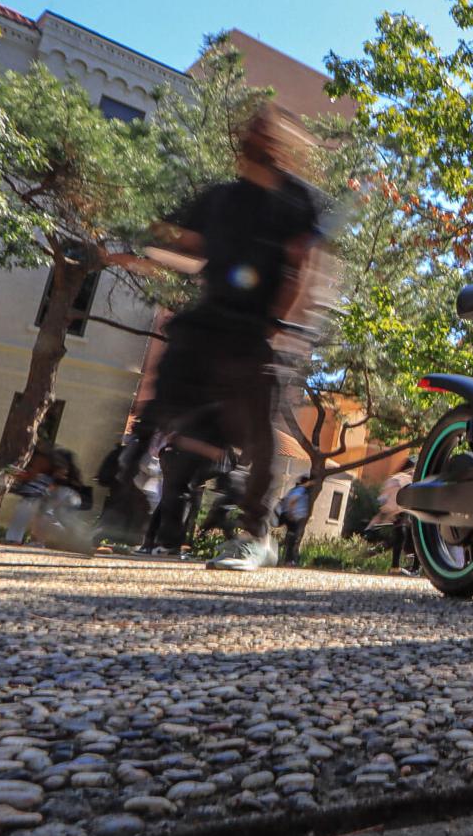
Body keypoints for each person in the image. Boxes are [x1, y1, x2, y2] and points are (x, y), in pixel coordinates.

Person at [112, 103, 325, 572]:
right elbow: (182, 242)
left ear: (284, 145)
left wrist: (283, 323)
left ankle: (256, 534)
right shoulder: (220, 198)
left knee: (256, 432)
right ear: (242, 139)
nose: (261, 137)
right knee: (161, 396)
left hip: (256, 327)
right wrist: (135, 240)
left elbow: (303, 265)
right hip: (210, 319)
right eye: (254, 130)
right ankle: (115, 507)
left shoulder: (297, 199)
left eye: (270, 132)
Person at [277, 476, 312, 566]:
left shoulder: (295, 489)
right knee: (292, 539)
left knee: (291, 538)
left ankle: (285, 557)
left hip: (293, 516)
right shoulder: (300, 490)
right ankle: (288, 560)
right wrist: (291, 513)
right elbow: (292, 501)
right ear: (307, 482)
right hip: (293, 517)